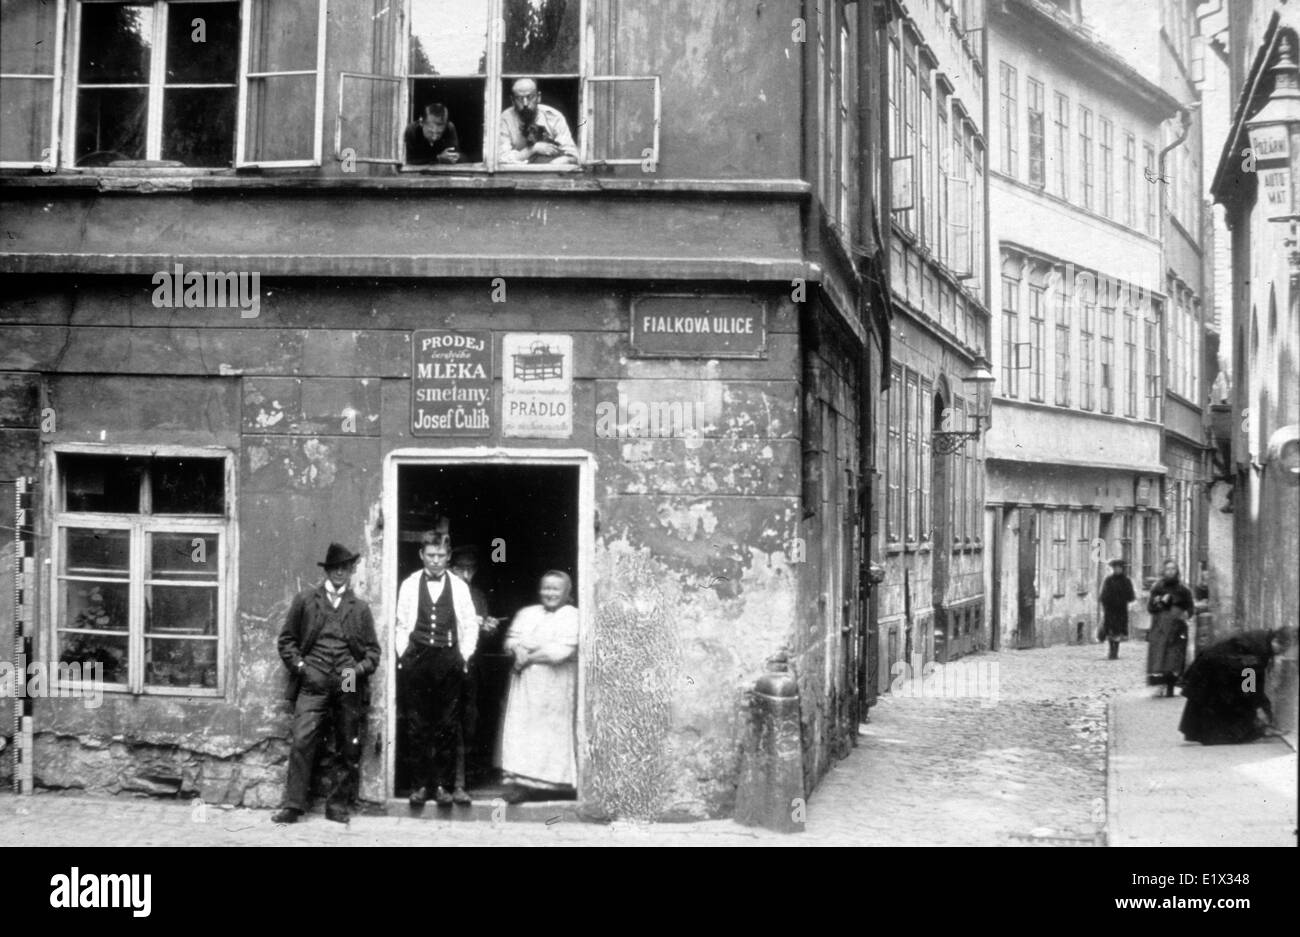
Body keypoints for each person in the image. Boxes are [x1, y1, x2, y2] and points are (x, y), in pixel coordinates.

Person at [272, 543, 380, 825]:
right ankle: (294, 805)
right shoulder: (306, 600)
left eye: (345, 568)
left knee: (347, 741)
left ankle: (338, 805)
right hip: (314, 678)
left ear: (351, 571)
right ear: (327, 571)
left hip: (346, 679)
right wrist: (302, 668)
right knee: (303, 738)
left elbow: (373, 653)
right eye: (335, 568)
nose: (340, 573)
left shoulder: (360, 609)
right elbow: (286, 641)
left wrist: (356, 670)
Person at [396, 531, 480, 807]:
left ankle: (443, 786)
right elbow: (400, 623)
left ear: (448, 556)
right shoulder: (409, 585)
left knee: (446, 724)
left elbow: (469, 624)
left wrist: (463, 656)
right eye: (430, 555)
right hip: (417, 657)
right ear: (421, 555)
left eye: (441, 556)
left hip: (448, 658)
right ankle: (420, 785)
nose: (435, 561)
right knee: (417, 724)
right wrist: (403, 653)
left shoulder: (458, 586)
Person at [499, 570, 580, 803]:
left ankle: (553, 785)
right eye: (546, 588)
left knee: (550, 734)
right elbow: (510, 641)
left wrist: (528, 657)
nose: (549, 593)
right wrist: (516, 650)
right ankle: (523, 786)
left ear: (567, 592)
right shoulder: (527, 613)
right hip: (525, 687)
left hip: (555, 687)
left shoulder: (573, 616)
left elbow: (561, 651)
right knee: (523, 733)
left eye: (556, 589)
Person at [1178, 627, 1296, 744]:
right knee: (1229, 703)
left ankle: (1209, 735)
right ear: (1275, 640)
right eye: (1281, 649)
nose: (1281, 653)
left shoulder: (1262, 641)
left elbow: (1253, 679)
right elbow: (1250, 683)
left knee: (1217, 703)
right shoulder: (1259, 650)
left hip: (1213, 665)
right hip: (1214, 669)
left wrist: (1260, 705)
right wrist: (1258, 707)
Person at [448, 545, 499, 790]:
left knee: (470, 721)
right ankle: (447, 781)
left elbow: (482, 636)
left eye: (471, 569)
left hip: (472, 668)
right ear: (451, 568)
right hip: (447, 664)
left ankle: (464, 779)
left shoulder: (478, 595)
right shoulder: (444, 591)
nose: (466, 575)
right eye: (461, 569)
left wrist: (488, 628)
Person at [498, 78, 578, 166]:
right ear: (512, 100)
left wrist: (558, 163)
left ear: (538, 97)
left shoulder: (554, 117)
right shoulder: (505, 119)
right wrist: (533, 149)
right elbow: (502, 159)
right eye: (519, 98)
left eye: (530, 97)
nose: (525, 103)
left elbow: (572, 155)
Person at [1146, 560, 1194, 697]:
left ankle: (1171, 686)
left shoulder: (1183, 590)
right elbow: (1150, 607)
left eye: (1173, 569)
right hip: (1160, 626)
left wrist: (1186, 614)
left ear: (1177, 571)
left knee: (1174, 657)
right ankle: (1160, 684)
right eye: (1168, 569)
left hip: (1177, 627)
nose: (1170, 571)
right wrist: (1159, 601)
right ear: (1164, 571)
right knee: (1160, 656)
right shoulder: (1157, 588)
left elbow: (1190, 608)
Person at [1098, 558, 1136, 660]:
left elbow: (1131, 596)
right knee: (1110, 631)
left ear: (1122, 569)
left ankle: (1116, 651)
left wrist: (1124, 598)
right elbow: (1103, 595)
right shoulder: (1109, 580)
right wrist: (1106, 602)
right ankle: (1111, 650)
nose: (1117, 570)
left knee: (1118, 631)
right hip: (1110, 610)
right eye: (1115, 568)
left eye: (1119, 568)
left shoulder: (1126, 581)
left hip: (1121, 610)